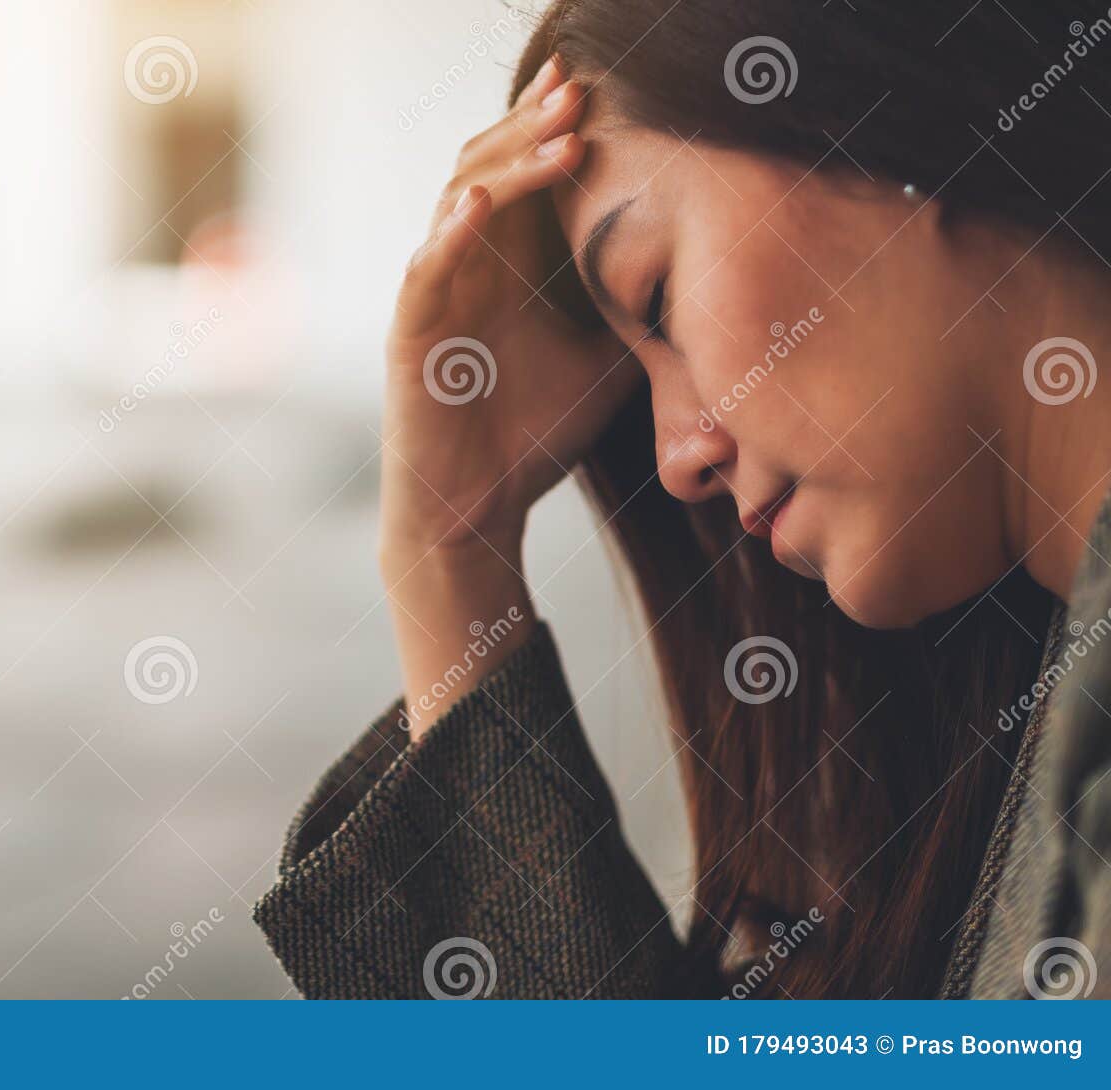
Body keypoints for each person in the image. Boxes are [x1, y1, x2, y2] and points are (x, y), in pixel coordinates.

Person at [253, 0, 1111, 998]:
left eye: (655, 299)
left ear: (884, 109)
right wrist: (449, 548)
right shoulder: (1019, 768)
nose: (676, 461)